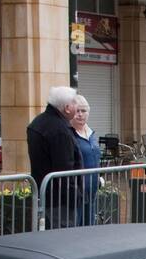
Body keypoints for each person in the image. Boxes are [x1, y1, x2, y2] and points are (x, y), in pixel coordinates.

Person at [26, 85, 82, 225]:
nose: (77, 107)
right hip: (60, 201)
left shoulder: (38, 122)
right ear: (67, 108)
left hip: (44, 193)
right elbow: (65, 169)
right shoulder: (60, 130)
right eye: (75, 103)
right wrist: (75, 197)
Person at [70, 94, 100, 227]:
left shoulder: (91, 133)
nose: (80, 114)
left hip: (92, 190)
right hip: (76, 192)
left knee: (89, 227)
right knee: (77, 227)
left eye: (84, 111)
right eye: (77, 111)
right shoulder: (69, 134)